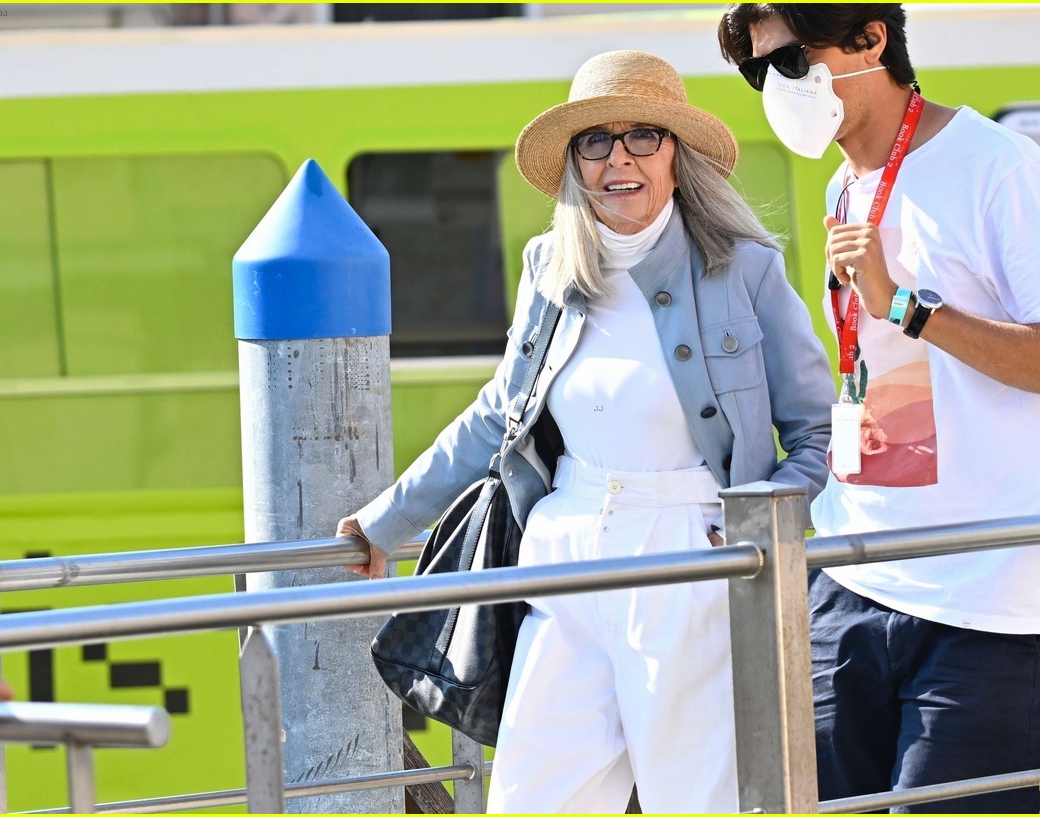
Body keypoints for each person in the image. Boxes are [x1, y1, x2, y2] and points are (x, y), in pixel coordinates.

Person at [337, 49, 834, 813]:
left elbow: (814, 433)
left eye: (642, 136)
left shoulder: (744, 269)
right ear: (574, 162)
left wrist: (757, 528)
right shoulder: (549, 267)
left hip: (690, 558)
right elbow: (498, 417)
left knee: (696, 796)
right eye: (595, 142)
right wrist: (385, 520)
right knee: (534, 796)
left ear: (676, 154)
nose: (619, 159)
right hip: (562, 554)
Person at [719, 4, 1040, 811]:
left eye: (792, 61)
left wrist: (911, 308)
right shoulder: (843, 184)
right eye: (760, 72)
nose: (777, 87)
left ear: (870, 39)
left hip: (980, 601)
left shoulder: (997, 164)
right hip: (849, 579)